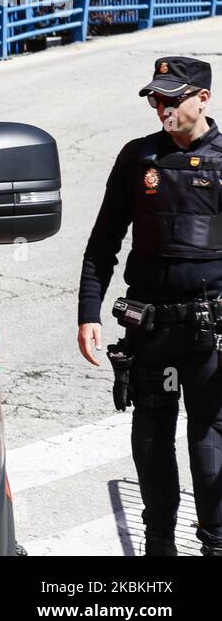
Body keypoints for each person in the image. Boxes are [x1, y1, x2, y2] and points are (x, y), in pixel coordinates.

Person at [78, 55, 222, 556]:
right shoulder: (138, 158)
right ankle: (159, 544)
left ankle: (215, 545)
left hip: (210, 328)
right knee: (152, 431)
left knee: (210, 434)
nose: (162, 108)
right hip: (150, 325)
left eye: (172, 98)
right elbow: (103, 242)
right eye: (156, 99)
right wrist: (88, 312)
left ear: (202, 98)